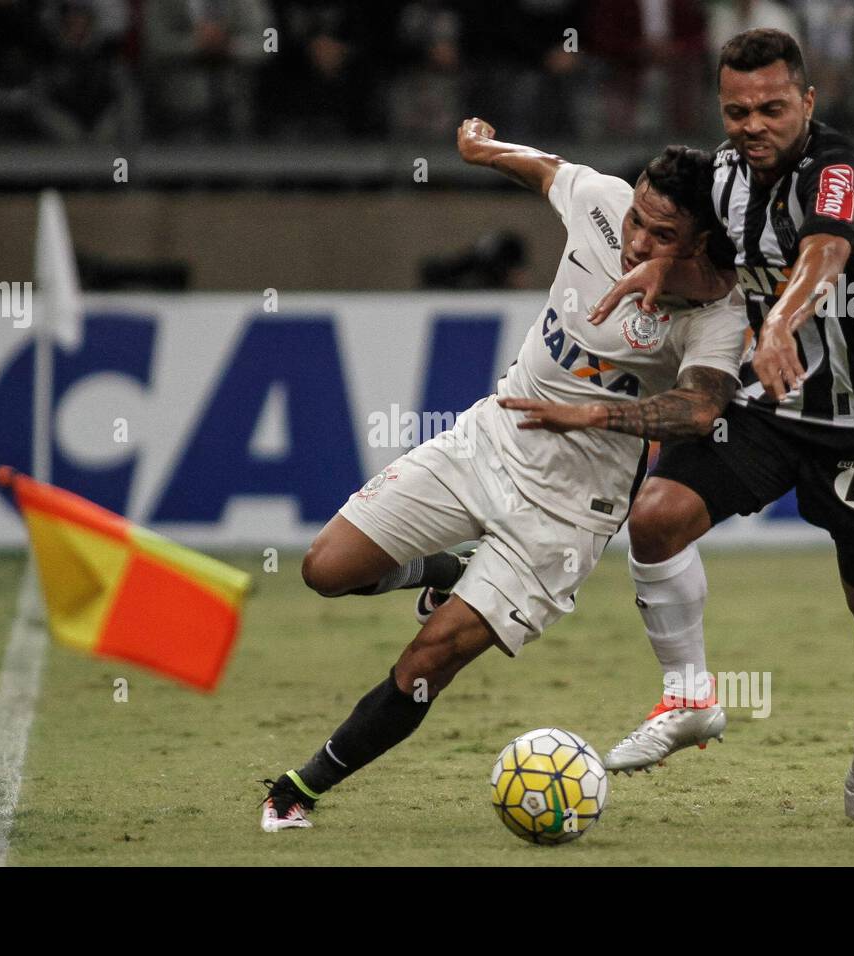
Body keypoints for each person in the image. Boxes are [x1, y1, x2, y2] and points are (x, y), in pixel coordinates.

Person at [260, 116, 745, 831]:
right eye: (638, 220)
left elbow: (701, 407)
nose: (638, 240)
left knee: (431, 657)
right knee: (325, 568)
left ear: (703, 241)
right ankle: (446, 571)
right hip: (486, 441)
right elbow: (547, 168)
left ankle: (299, 788)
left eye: (662, 235)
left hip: (566, 516)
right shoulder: (602, 203)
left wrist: (597, 420)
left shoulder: (717, 314)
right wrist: (481, 150)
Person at [528, 29, 854, 823]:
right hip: (766, 404)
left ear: (807, 103)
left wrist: (778, 321)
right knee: (658, 517)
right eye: (737, 109)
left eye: (772, 107)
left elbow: (822, 250)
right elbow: (715, 263)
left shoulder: (837, 171)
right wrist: (661, 267)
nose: (753, 124)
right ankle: (688, 698)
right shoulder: (722, 177)